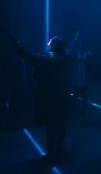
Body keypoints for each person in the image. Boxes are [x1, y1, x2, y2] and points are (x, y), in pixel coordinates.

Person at [9, 35, 71, 165]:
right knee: (61, 123)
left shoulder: (52, 58)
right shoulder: (64, 57)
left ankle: (51, 157)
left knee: (52, 125)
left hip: (53, 97)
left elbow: (31, 57)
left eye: (51, 41)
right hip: (63, 96)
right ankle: (58, 150)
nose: (48, 42)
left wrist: (17, 47)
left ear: (54, 45)